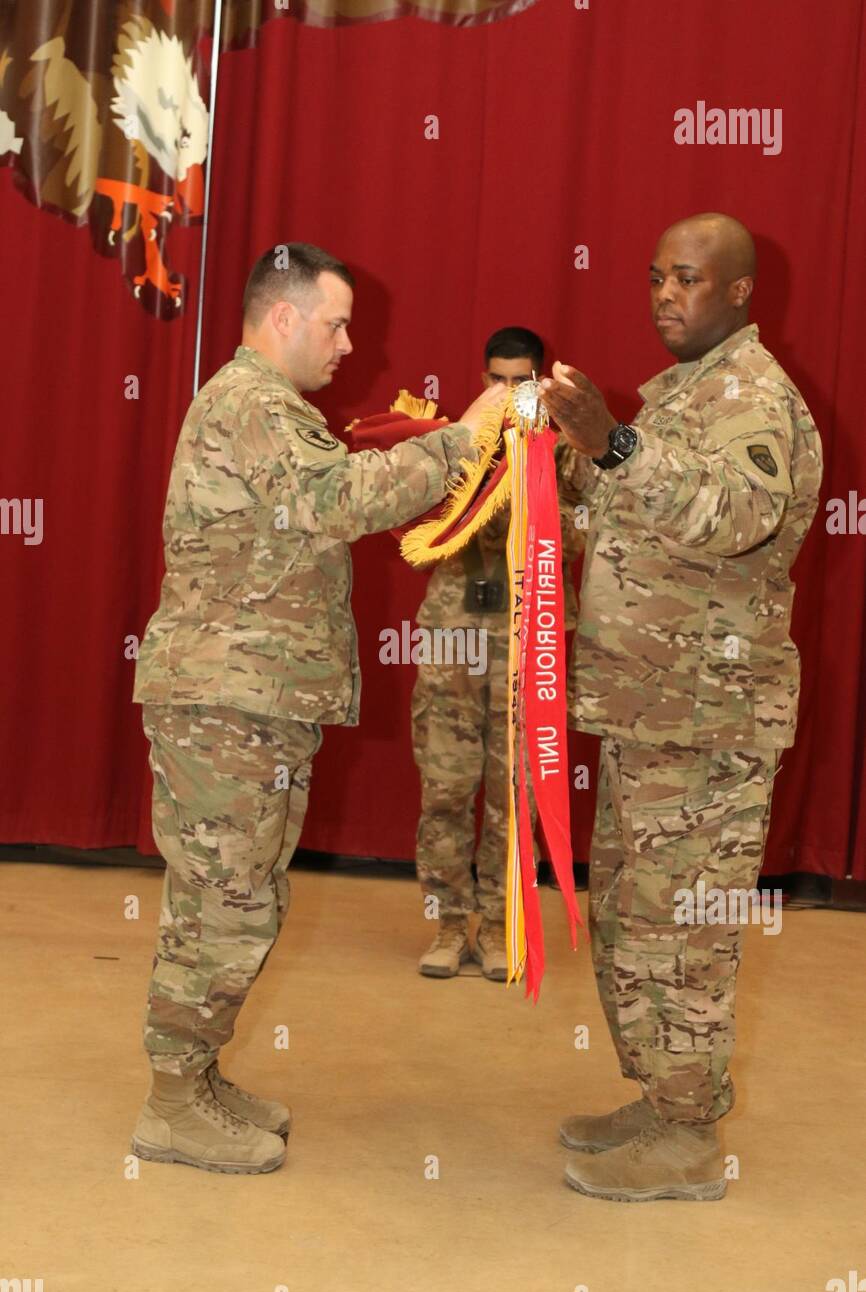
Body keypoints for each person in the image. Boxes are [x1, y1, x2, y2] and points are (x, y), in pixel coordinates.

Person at [130, 242, 504, 1175]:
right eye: (336, 323)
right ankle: (172, 1101)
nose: (348, 344)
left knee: (242, 898)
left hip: (248, 701)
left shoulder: (262, 406)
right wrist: (465, 440)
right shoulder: (253, 403)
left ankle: (199, 1074)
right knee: (221, 905)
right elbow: (338, 497)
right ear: (284, 317)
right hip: (227, 701)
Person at [540, 213, 822, 1201]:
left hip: (707, 722)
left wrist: (610, 444)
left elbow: (732, 518)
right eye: (656, 276)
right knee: (632, 917)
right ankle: (662, 1102)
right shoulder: (681, 399)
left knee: (686, 930)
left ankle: (690, 1136)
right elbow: (631, 526)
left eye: (689, 279)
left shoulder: (750, 398)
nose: (665, 294)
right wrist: (553, 479)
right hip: (650, 711)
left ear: (738, 292)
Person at [413, 327, 584, 981]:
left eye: (520, 380)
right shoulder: (456, 442)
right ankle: (449, 925)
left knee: (516, 795)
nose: (507, 392)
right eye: (496, 379)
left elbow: (577, 538)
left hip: (526, 640)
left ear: (541, 382)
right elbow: (421, 519)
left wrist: (536, 483)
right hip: (454, 636)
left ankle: (502, 924)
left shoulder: (567, 454)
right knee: (445, 786)